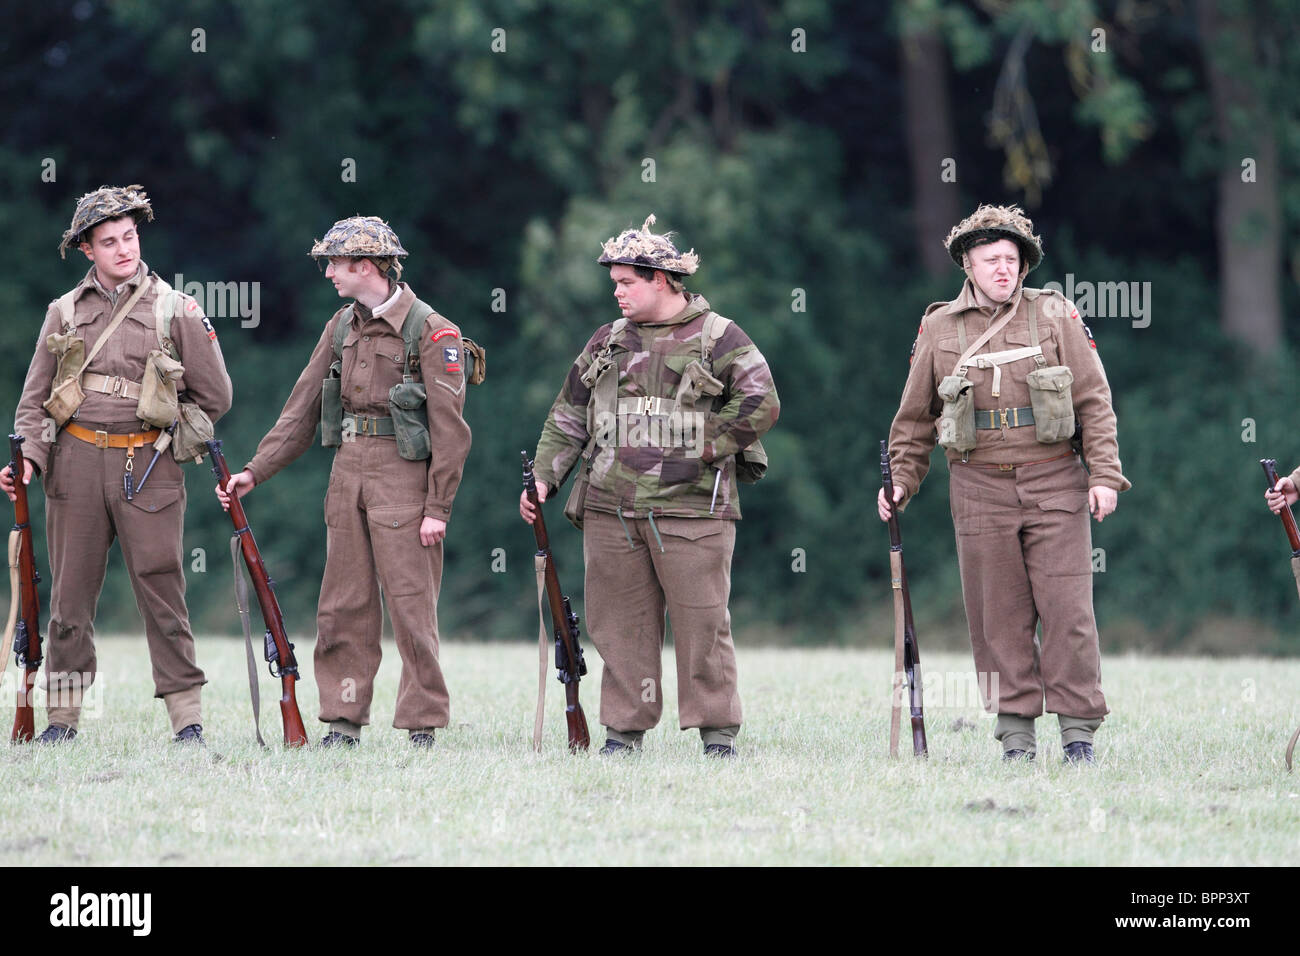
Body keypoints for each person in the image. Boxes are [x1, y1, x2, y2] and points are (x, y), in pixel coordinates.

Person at [519, 214, 779, 757]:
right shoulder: (606, 340)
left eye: (625, 283)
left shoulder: (718, 336)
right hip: (610, 507)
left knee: (702, 626)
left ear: (659, 279)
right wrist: (544, 479)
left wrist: (704, 448)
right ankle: (623, 732)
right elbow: (568, 414)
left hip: (692, 510)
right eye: (613, 283)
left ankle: (717, 734)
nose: (616, 293)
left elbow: (761, 402)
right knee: (617, 626)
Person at [879, 203, 1129, 764]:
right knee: (997, 619)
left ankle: (1078, 736)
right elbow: (915, 419)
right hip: (977, 487)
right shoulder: (939, 328)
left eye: (1012, 259)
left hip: (1055, 482)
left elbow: (1095, 401)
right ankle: (1016, 737)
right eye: (990, 259)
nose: (1002, 269)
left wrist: (1105, 474)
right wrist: (901, 481)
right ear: (967, 263)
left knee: (1069, 613)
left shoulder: (1055, 314)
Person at [217, 216, 471, 749]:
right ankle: (342, 720)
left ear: (367, 266)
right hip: (347, 474)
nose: (329, 272)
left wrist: (438, 507)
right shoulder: (341, 326)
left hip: (404, 479)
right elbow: (301, 409)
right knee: (341, 606)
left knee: (411, 608)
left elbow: (452, 432)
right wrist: (253, 472)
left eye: (336, 262)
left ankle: (421, 723)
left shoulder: (432, 330)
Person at [1, 184, 233, 744]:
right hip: (75, 462)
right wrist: (29, 458)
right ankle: (61, 720)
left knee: (163, 591)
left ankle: (187, 720)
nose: (124, 249)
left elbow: (217, 394)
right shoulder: (63, 311)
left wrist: (168, 428)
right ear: (87, 249)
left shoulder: (175, 308)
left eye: (129, 236)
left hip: (148, 464)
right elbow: (34, 402)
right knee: (69, 599)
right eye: (109, 242)